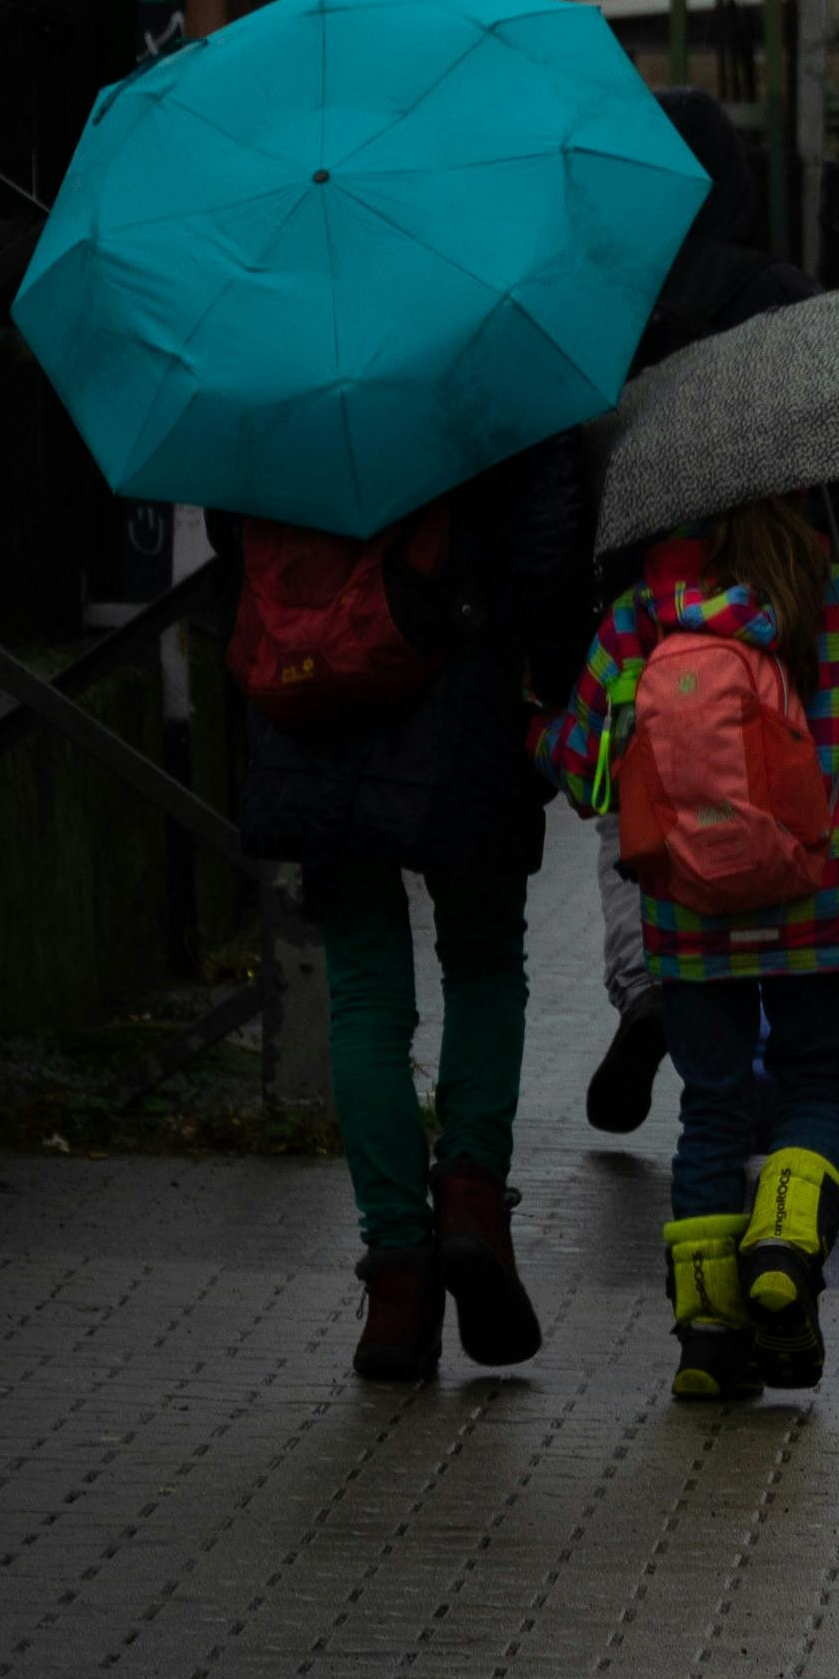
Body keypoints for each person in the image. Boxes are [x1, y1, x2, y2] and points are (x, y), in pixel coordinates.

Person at [539, 487, 839, 1403]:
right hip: (818, 907)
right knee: (812, 1085)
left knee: (710, 1111)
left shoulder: (643, 616)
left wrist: (542, 735)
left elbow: (583, 773)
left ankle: (709, 1345)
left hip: (690, 912)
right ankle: (786, 1249)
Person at [218, 435, 592, 1388]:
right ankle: (470, 1199)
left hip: (315, 697)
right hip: (465, 686)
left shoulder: (276, 358)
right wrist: (551, 669)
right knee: (481, 961)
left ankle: (395, 1280)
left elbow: (233, 529)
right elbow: (551, 539)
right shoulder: (503, 350)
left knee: (365, 991)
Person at [583, 91, 839, 1138]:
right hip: (787, 605)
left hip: (647, 608)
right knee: (774, 773)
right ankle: (776, 949)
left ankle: (652, 988)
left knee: (643, 800)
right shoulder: (778, 295)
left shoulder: (601, 304)